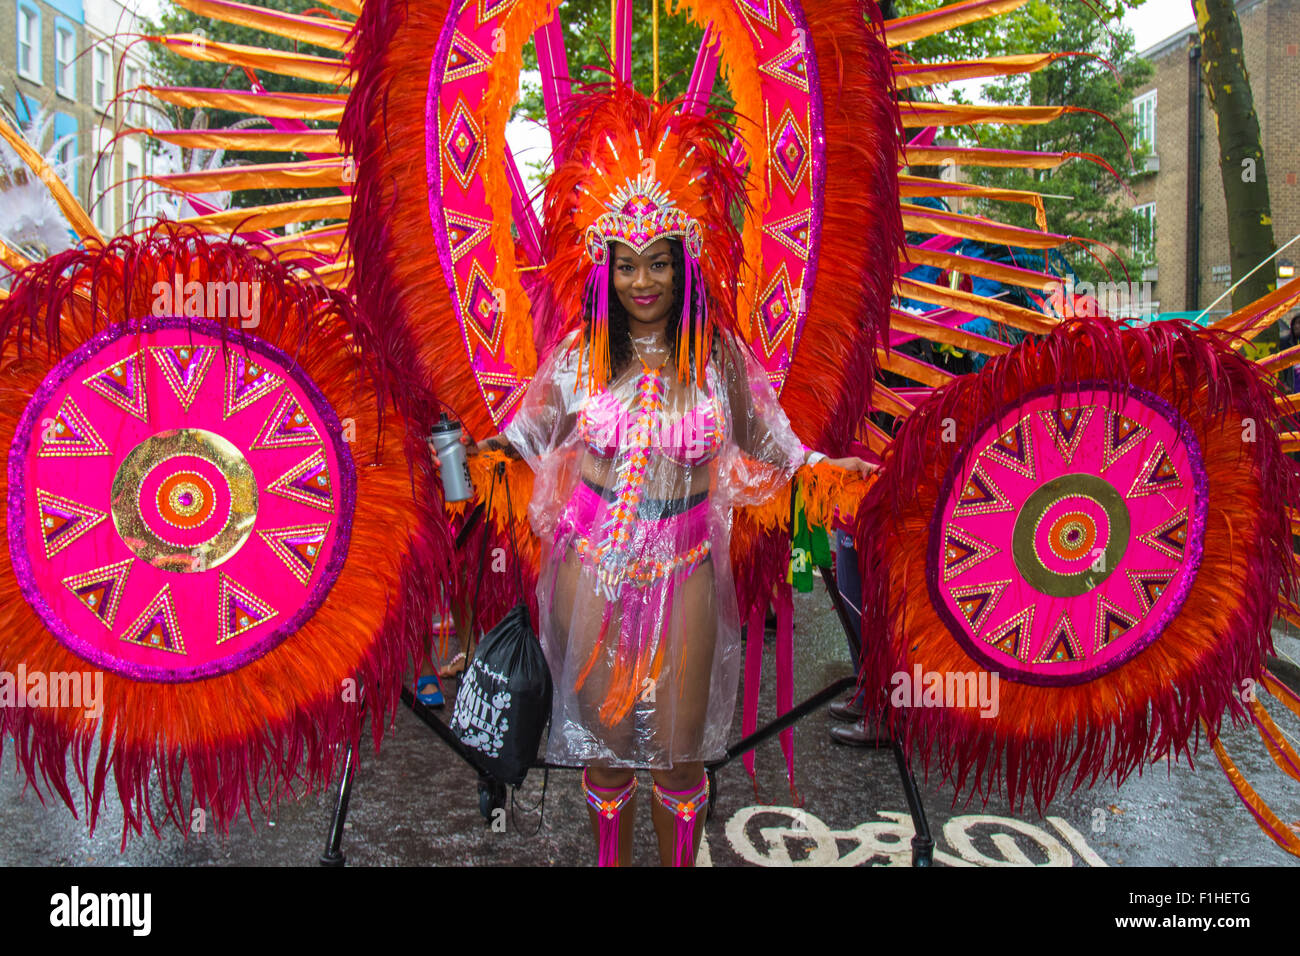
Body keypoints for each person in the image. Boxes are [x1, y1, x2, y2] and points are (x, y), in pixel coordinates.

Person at [454, 86, 873, 866]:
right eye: (626, 265)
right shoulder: (580, 359)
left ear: (684, 270)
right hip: (590, 568)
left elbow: (774, 443)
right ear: (603, 272)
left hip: (683, 570)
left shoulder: (717, 360)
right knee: (607, 756)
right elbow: (517, 439)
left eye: (657, 265)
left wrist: (825, 470)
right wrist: (456, 462)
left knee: (680, 755)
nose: (642, 282)